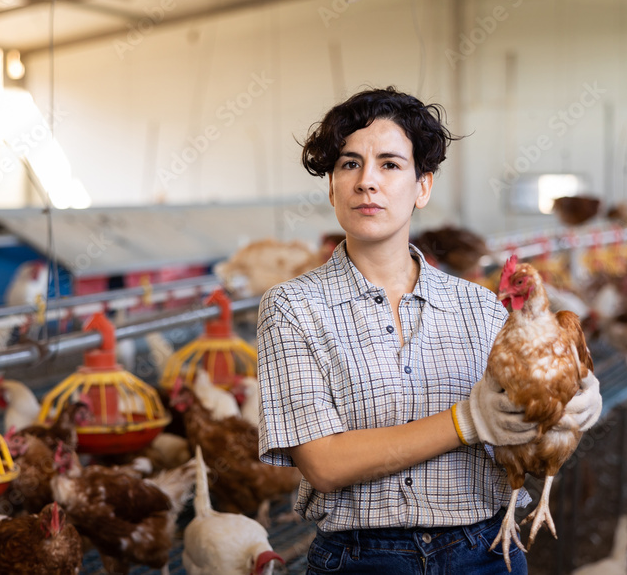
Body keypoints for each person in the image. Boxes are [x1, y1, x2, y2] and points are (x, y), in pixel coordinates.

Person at [256, 87, 602, 574]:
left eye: (390, 165)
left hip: (486, 547)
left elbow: (526, 418)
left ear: (423, 187)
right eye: (349, 164)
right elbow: (324, 465)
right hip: (361, 559)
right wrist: (464, 422)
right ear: (331, 186)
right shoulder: (293, 307)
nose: (367, 182)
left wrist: (575, 397)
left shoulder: (481, 307)